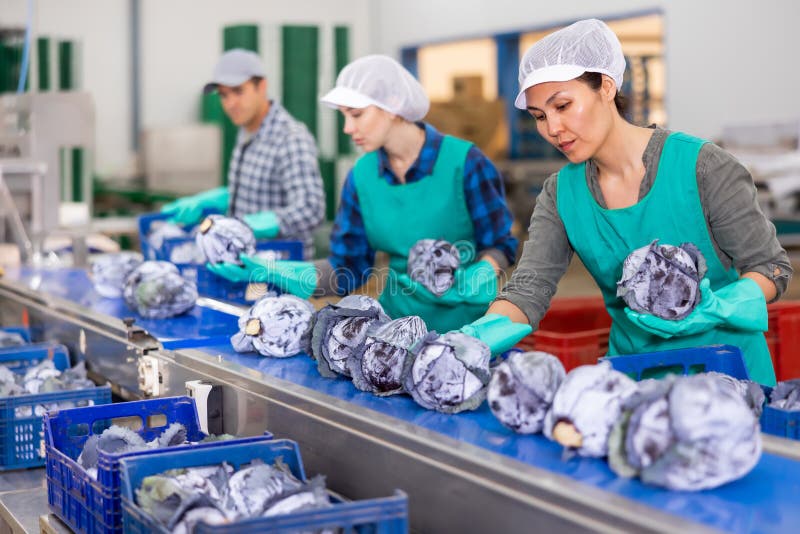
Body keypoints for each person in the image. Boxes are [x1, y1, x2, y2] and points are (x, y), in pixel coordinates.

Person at [487, 19, 792, 385]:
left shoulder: (702, 167)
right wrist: (476, 336)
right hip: (633, 382)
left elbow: (771, 268)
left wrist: (718, 308)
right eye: (539, 116)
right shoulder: (560, 194)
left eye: (563, 106)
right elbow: (529, 290)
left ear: (606, 86)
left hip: (730, 380)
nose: (552, 128)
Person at [210, 54, 525, 340]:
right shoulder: (362, 177)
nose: (348, 128)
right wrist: (283, 271)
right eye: (344, 116)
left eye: (357, 114)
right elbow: (349, 267)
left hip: (470, 330)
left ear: (393, 107)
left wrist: (486, 268)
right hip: (397, 335)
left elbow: (500, 242)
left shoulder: (465, 163)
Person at [161, 49, 325, 259]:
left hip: (278, 270)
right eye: (223, 95)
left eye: (238, 91)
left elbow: (312, 208)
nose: (230, 104)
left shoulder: (289, 138)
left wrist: (260, 224)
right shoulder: (246, 130)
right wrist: (218, 199)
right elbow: (259, 190)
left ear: (262, 86)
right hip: (244, 264)